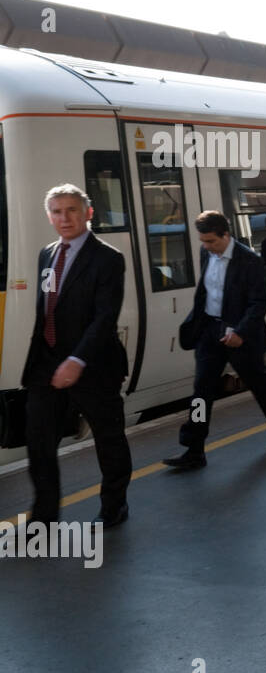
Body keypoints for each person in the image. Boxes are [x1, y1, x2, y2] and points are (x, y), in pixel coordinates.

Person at [23, 184, 132, 529]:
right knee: (39, 444)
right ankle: (44, 517)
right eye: (56, 211)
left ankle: (114, 506)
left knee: (108, 439)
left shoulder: (108, 259)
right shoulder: (46, 254)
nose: (63, 217)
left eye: (71, 210)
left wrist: (77, 360)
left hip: (94, 365)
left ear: (88, 213)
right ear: (49, 217)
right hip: (46, 364)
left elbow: (105, 317)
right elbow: (48, 310)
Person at [165, 210, 266, 470]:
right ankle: (194, 448)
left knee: (259, 383)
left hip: (240, 333)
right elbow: (205, 291)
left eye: (211, 241)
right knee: (201, 391)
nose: (206, 247)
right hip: (210, 330)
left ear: (226, 235)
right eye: (203, 242)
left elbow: (259, 303)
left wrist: (240, 332)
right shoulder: (205, 253)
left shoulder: (250, 260)